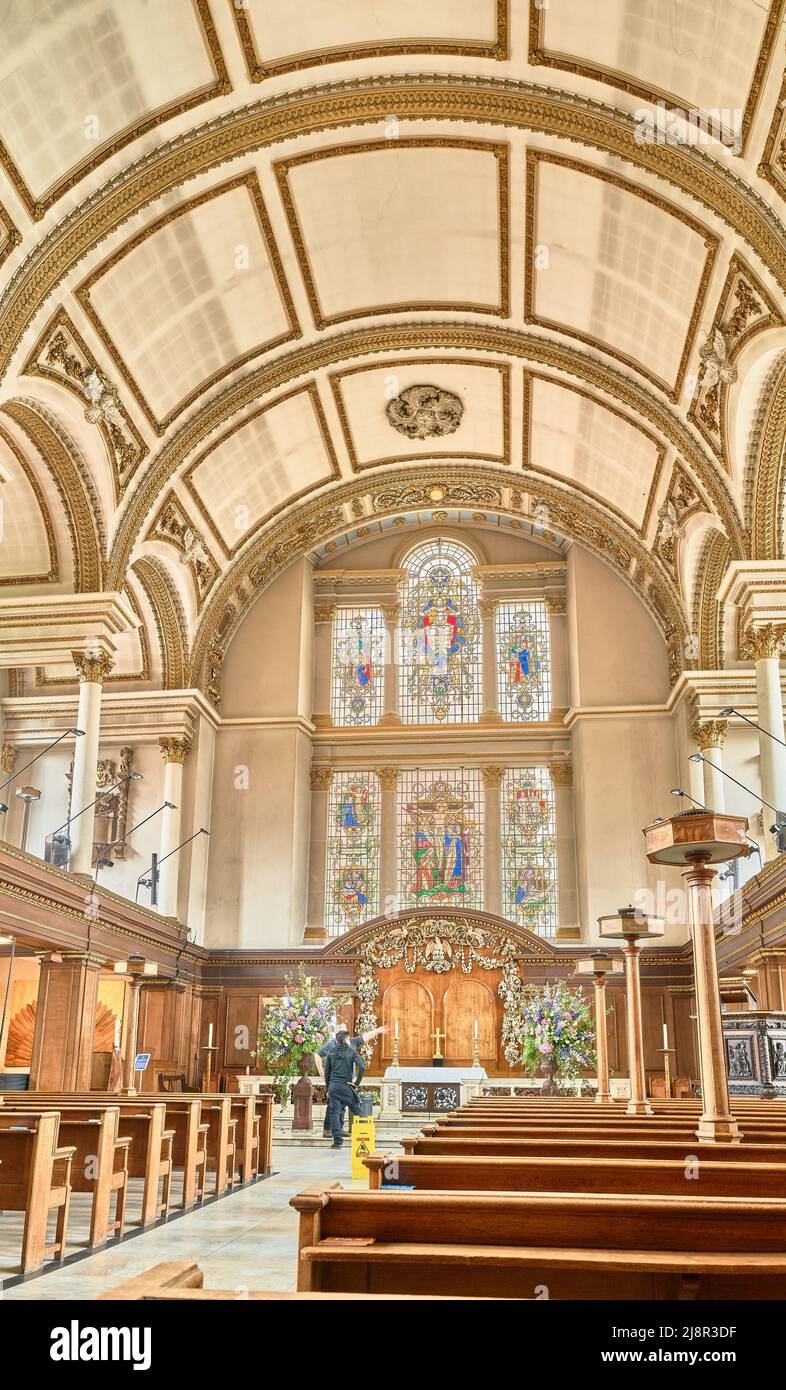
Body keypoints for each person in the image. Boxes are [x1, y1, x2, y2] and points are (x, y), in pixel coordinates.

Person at [316, 1023, 386, 1137]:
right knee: (333, 1106)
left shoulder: (352, 1042)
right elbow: (317, 1055)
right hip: (335, 1081)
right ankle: (327, 1129)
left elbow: (365, 1037)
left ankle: (339, 1129)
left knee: (343, 1106)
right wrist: (322, 1073)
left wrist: (378, 1030)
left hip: (348, 1081)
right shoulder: (332, 1044)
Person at [323, 1030, 365, 1149]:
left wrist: (328, 1088)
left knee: (334, 1114)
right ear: (347, 1040)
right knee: (357, 1109)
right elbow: (362, 1067)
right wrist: (356, 1083)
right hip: (346, 1086)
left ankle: (338, 1142)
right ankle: (367, 1134)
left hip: (333, 1087)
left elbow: (327, 1073)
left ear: (337, 1040)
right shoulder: (352, 1052)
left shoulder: (330, 1053)